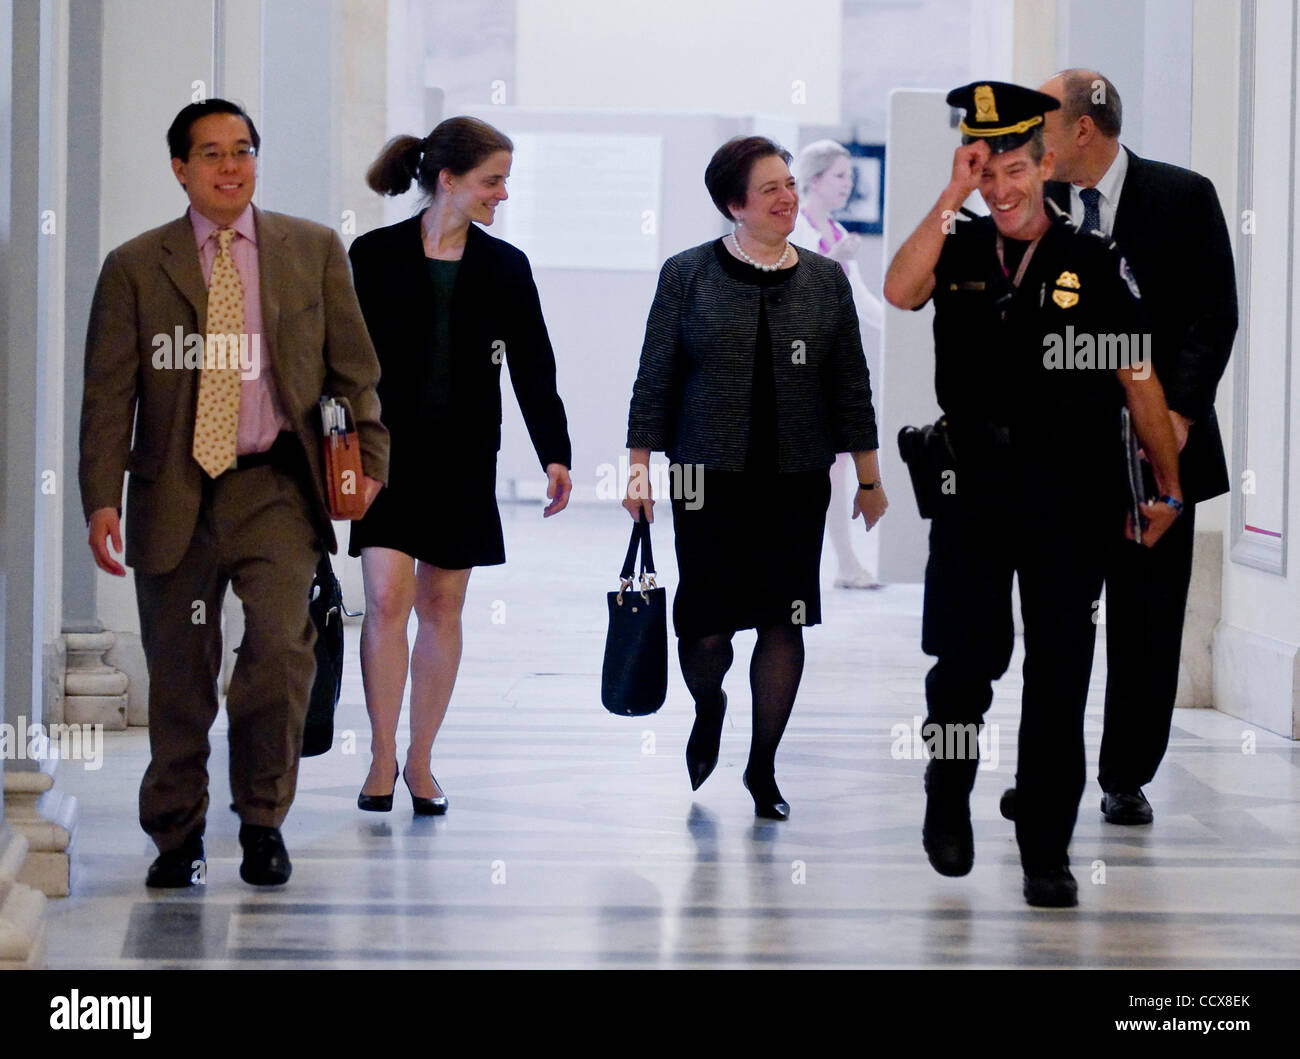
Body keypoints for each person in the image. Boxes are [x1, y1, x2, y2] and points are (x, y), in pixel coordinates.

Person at [883, 81, 1185, 907]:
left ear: (1046, 165)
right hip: (971, 490)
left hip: (1067, 495)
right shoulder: (956, 243)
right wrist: (949, 195)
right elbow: (899, 290)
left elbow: (1138, 379)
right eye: (985, 173)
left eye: (1013, 169)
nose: (1000, 189)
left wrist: (1169, 486)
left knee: (1059, 672)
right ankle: (947, 790)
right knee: (962, 665)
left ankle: (1045, 847)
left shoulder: (1093, 261)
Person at [80, 99, 388, 889]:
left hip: (275, 485)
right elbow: (109, 395)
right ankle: (177, 833)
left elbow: (355, 371)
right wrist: (101, 497)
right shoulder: (135, 265)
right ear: (180, 169)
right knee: (180, 671)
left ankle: (262, 820)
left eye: (242, 150)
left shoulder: (310, 250)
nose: (230, 167)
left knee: (280, 650)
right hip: (173, 489)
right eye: (212, 154)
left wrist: (369, 459)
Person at [624, 135, 888, 820]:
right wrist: (638, 468)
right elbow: (655, 376)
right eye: (770, 189)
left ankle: (763, 765)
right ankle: (708, 705)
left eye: (790, 184)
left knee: (784, 618)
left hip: (796, 480)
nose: (787, 198)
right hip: (705, 479)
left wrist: (868, 477)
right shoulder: (687, 274)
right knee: (707, 628)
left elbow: (850, 384)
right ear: (734, 205)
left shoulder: (825, 279)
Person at [1019, 69, 1238, 827]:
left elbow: (1214, 315)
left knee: (1147, 622)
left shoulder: (1184, 196)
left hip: (1162, 454)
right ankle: (1050, 769)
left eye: (1044, 125)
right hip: (1063, 457)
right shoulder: (1035, 205)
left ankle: (1125, 776)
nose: (1034, 142)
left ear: (1083, 128)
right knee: (1058, 622)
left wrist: (1176, 417)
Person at [347, 116, 572, 815]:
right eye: (492, 180)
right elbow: (342, 362)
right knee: (387, 597)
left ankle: (420, 760)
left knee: (442, 605)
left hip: (465, 456)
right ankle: (381, 755)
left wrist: (555, 452)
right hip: (385, 455)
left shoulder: (506, 267)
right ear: (448, 179)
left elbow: (533, 364)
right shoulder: (373, 254)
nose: (502, 193)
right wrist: (338, 449)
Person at [792, 140, 887, 590]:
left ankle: (844, 563)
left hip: (828, 364)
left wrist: (901, 327)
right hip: (800, 366)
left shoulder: (834, 230)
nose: (848, 184)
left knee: (835, 468)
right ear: (814, 180)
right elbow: (794, 284)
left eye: (849, 176)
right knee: (813, 470)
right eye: (840, 176)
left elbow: (859, 298)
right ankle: (829, 564)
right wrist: (836, 259)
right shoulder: (797, 228)